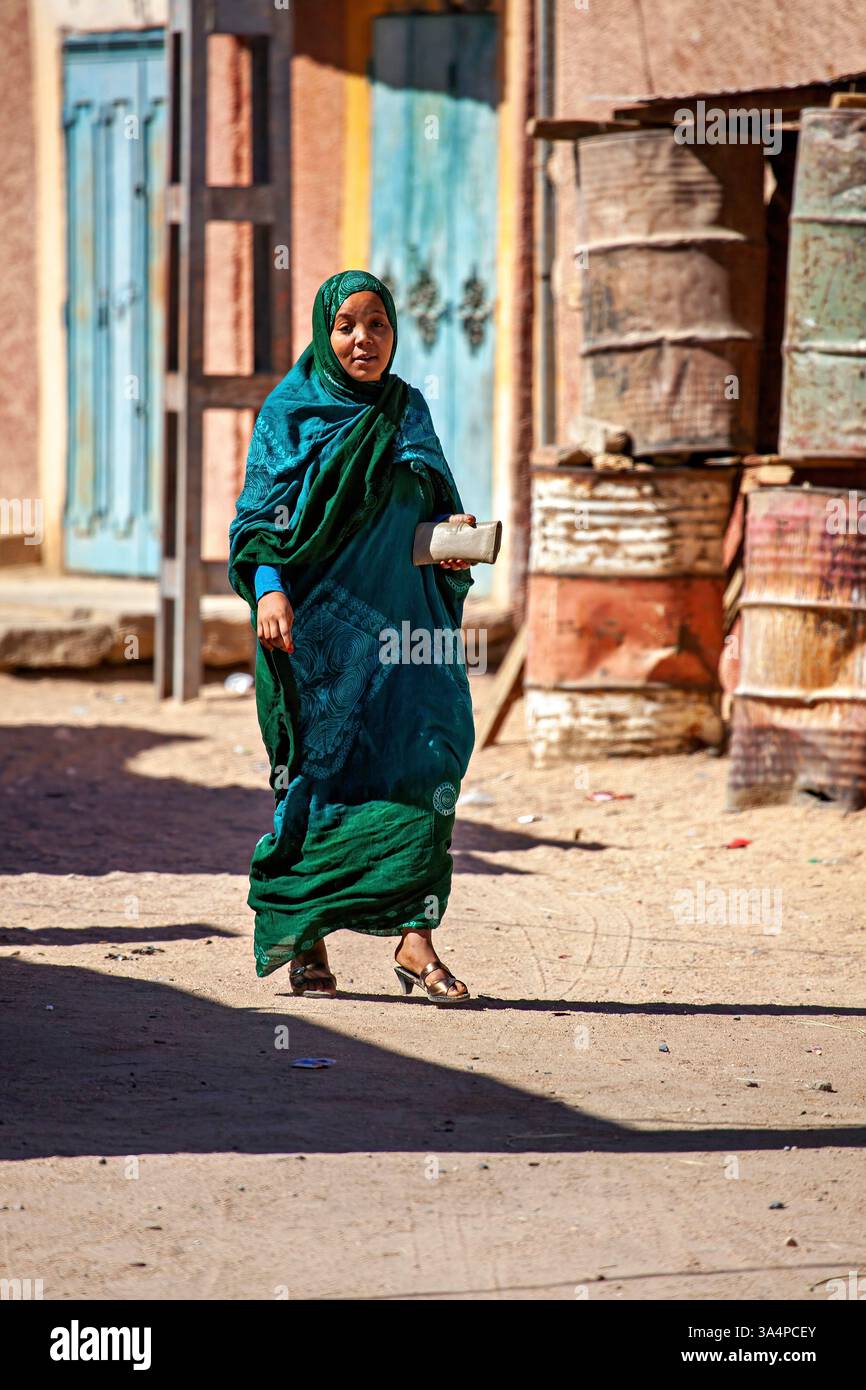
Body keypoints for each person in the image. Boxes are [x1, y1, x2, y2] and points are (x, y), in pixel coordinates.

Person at [229, 269, 476, 1004]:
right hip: (318, 637)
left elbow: (431, 507)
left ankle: (415, 938)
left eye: (377, 325)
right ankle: (305, 935)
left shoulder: (406, 409)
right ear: (323, 332)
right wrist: (269, 589)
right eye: (346, 326)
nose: (363, 340)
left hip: (409, 634)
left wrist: (452, 538)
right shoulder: (289, 413)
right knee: (322, 776)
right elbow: (257, 522)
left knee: (428, 764)